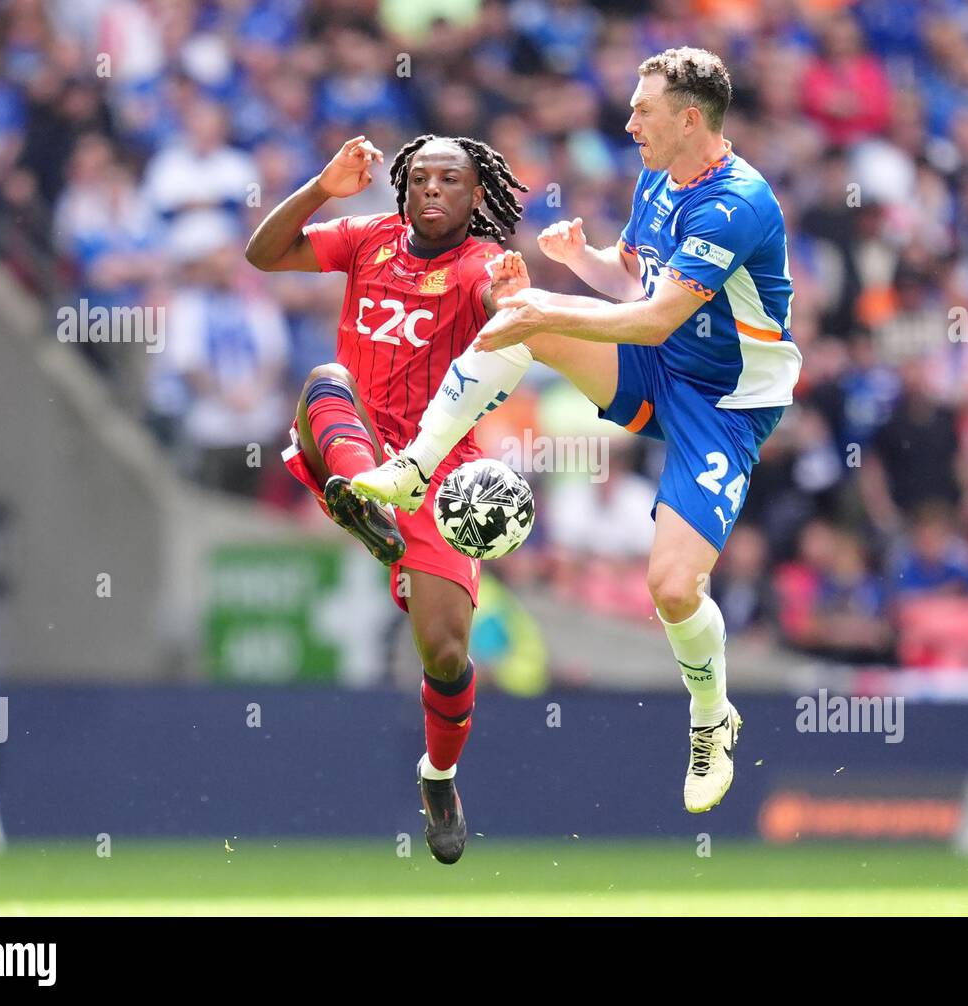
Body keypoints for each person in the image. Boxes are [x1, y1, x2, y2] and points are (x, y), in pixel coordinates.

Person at [353, 48, 801, 813]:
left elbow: (658, 314)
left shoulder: (739, 203)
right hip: (661, 366)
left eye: (644, 110)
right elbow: (641, 284)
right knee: (511, 326)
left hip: (724, 406)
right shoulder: (659, 177)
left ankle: (710, 716)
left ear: (690, 119)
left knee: (671, 587)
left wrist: (550, 301)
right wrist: (584, 263)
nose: (628, 122)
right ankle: (414, 466)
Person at [244, 132, 529, 864]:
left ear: (475, 196)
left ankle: (439, 778)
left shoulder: (477, 267)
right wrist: (321, 186)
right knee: (324, 377)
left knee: (444, 651)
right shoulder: (368, 237)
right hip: (357, 443)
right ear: (403, 190)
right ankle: (362, 499)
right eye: (421, 179)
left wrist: (511, 297)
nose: (432, 189)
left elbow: (503, 305)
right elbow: (263, 255)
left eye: (450, 180)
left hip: (438, 473)